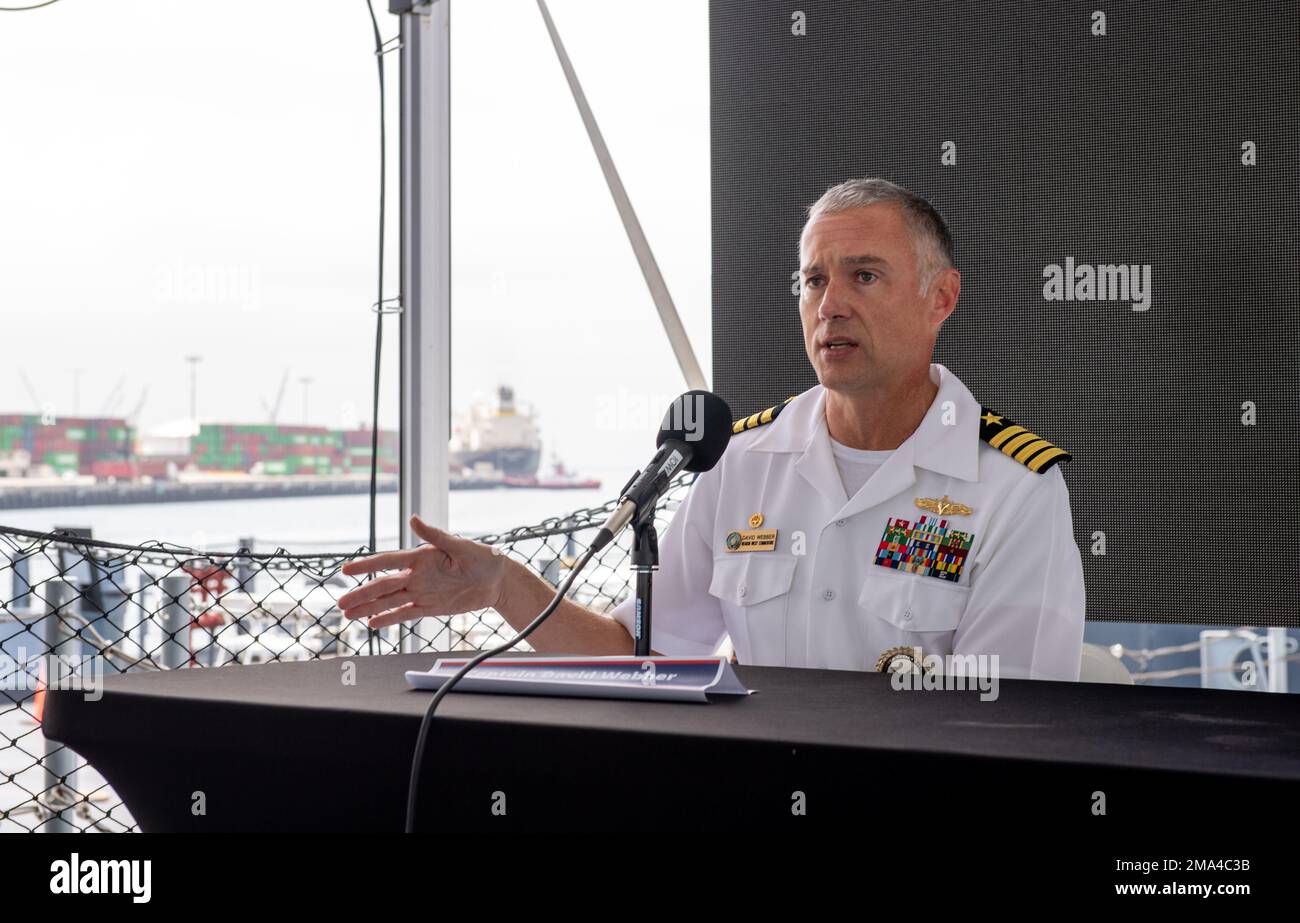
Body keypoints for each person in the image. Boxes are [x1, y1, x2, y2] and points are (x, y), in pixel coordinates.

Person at [338, 177, 1087, 681]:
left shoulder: (1012, 489)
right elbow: (645, 654)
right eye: (813, 279)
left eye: (864, 275)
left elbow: (1013, 725)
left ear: (940, 297)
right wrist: (504, 584)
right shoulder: (739, 462)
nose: (830, 304)